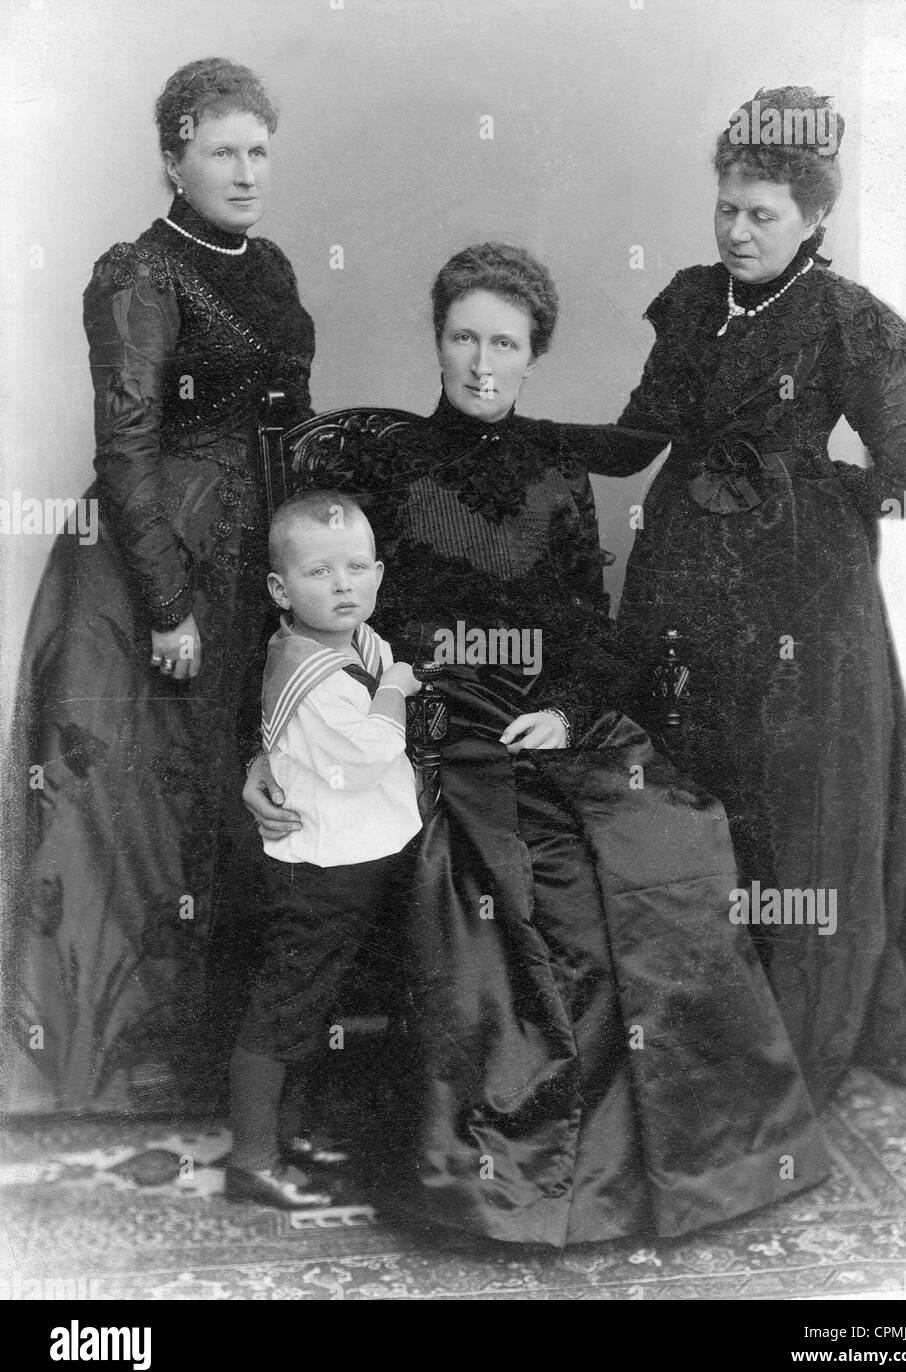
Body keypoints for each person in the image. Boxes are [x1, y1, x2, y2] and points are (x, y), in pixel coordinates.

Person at [245, 242, 832, 1248]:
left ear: (532, 355)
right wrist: (272, 748)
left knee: (663, 837)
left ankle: (694, 1157)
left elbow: (589, 627)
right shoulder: (377, 463)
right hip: (418, 708)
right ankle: (524, 1178)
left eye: (505, 344)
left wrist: (564, 706)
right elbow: (314, 624)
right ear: (438, 339)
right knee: (520, 873)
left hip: (544, 703)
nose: (482, 363)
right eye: (464, 337)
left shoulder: (557, 464)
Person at [606, 87, 906, 1108]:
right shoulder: (688, 302)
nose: (735, 230)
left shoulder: (847, 321)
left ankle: (791, 1031)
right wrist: (513, 446)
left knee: (796, 810)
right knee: (688, 789)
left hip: (804, 609)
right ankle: (696, 1015)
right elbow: (638, 438)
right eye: (726, 207)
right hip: (683, 581)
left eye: (760, 214)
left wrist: (804, 496)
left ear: (813, 218)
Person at [5, 58, 315, 1113]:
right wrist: (171, 603)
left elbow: (292, 419)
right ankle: (134, 1069)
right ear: (172, 158)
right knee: (148, 806)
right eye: (221, 149)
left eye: (258, 149)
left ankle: (225, 1059)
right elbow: (126, 447)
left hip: (246, 556)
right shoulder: (138, 275)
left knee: (234, 788)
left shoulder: (266, 267)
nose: (243, 170)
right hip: (151, 567)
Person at [226, 492, 421, 1209]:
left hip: (359, 854)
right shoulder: (314, 673)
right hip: (321, 868)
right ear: (281, 590)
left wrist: (389, 675)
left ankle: (291, 1133)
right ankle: (252, 1159)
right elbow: (372, 747)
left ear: (377, 572)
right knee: (286, 1007)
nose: (343, 586)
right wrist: (397, 689)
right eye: (318, 573)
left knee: (314, 1004)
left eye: (357, 567)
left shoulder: (350, 641)